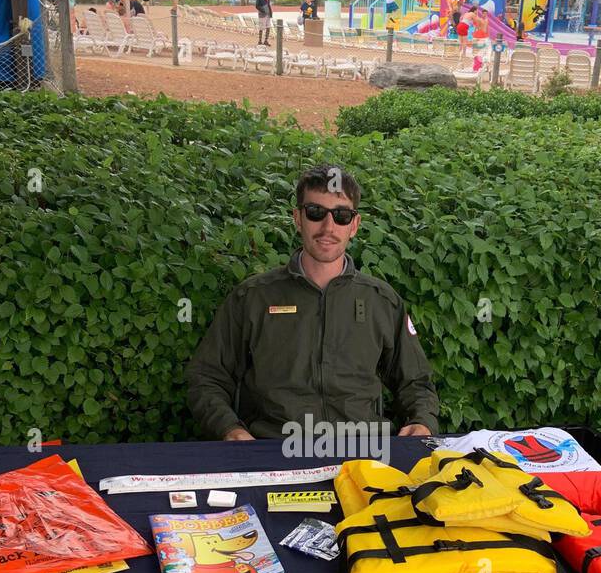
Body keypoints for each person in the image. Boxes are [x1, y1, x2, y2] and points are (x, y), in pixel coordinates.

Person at [186, 163, 439, 442]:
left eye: (341, 215)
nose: (328, 227)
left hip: (363, 455)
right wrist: (230, 430)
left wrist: (422, 421)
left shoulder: (382, 301)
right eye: (316, 213)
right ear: (297, 218)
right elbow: (207, 378)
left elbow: (415, 383)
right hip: (274, 452)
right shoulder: (253, 298)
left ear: (354, 225)